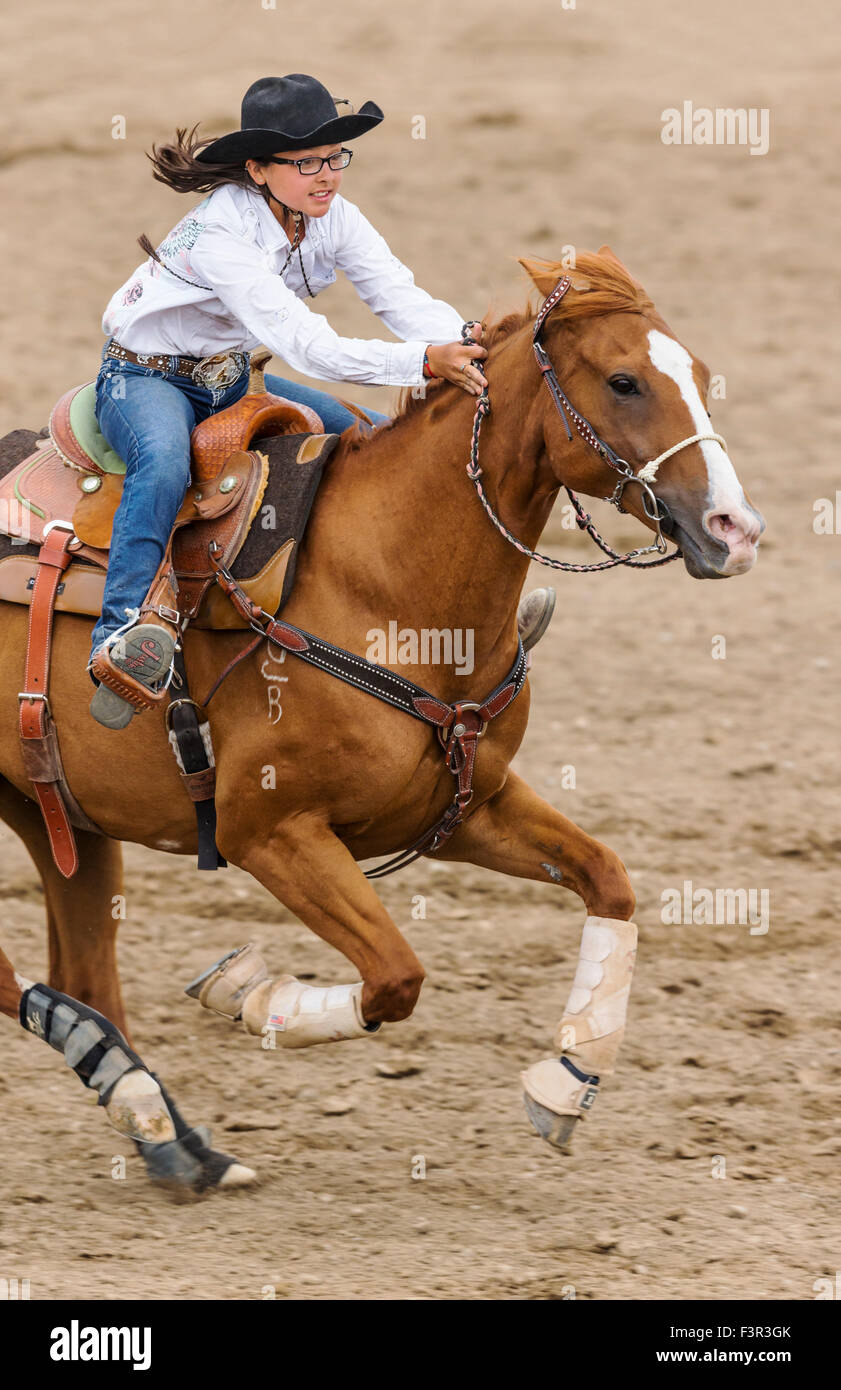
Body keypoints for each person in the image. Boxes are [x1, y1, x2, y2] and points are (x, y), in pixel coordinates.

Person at [87, 73, 554, 729]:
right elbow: (309, 346)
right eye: (306, 161)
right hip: (142, 380)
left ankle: (457, 619)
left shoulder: (335, 218)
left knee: (368, 437)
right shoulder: (222, 235)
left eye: (335, 157)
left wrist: (468, 340)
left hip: (229, 381)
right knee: (162, 462)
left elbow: (400, 299)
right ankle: (122, 635)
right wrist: (423, 362)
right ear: (257, 168)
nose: (327, 174)